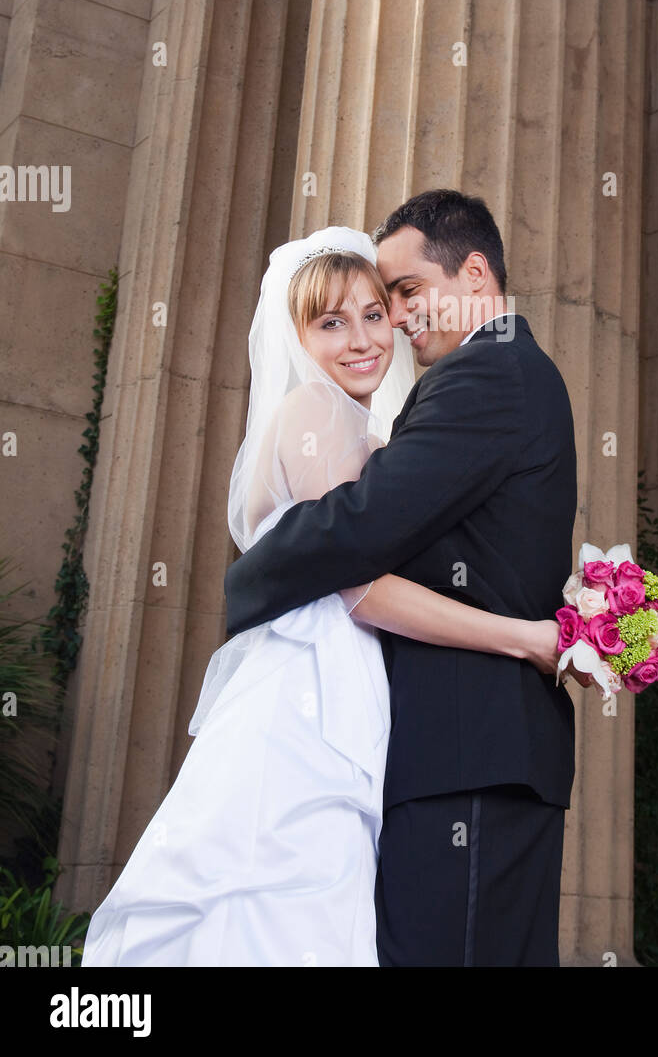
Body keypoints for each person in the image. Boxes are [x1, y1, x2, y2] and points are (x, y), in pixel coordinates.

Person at [80, 224, 562, 967]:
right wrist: (526, 637)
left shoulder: (379, 429)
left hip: (365, 693)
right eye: (331, 323)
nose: (370, 336)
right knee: (283, 888)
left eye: (377, 311)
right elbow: (357, 583)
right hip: (311, 693)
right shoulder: (315, 414)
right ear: (295, 336)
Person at [224, 190, 580, 967]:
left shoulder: (490, 374)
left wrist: (254, 575)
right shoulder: (494, 379)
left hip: (468, 748)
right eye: (385, 302)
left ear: (476, 273)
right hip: (465, 748)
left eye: (407, 292)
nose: (397, 317)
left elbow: (362, 526)